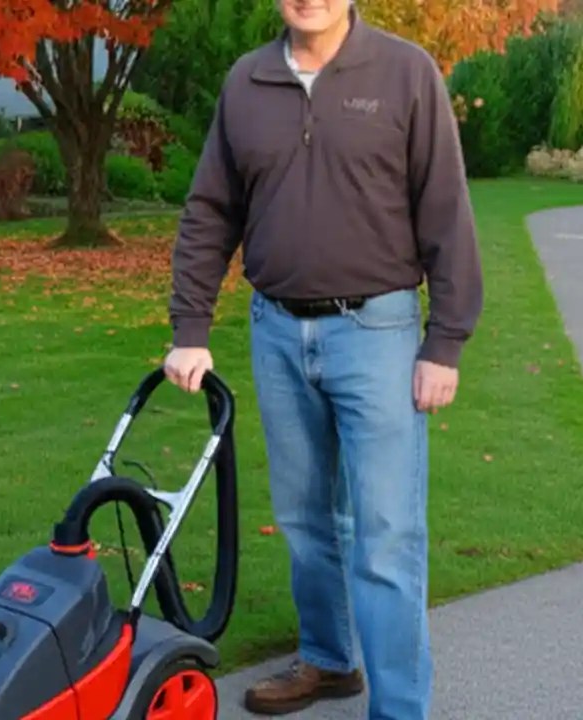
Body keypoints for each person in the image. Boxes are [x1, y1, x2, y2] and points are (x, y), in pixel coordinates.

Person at [162, 0, 484, 718]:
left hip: (380, 333)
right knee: (305, 520)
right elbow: (211, 210)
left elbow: (445, 209)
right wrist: (190, 327)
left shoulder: (406, 72)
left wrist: (445, 341)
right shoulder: (246, 83)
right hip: (276, 331)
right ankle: (332, 661)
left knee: (385, 535)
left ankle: (399, 709)